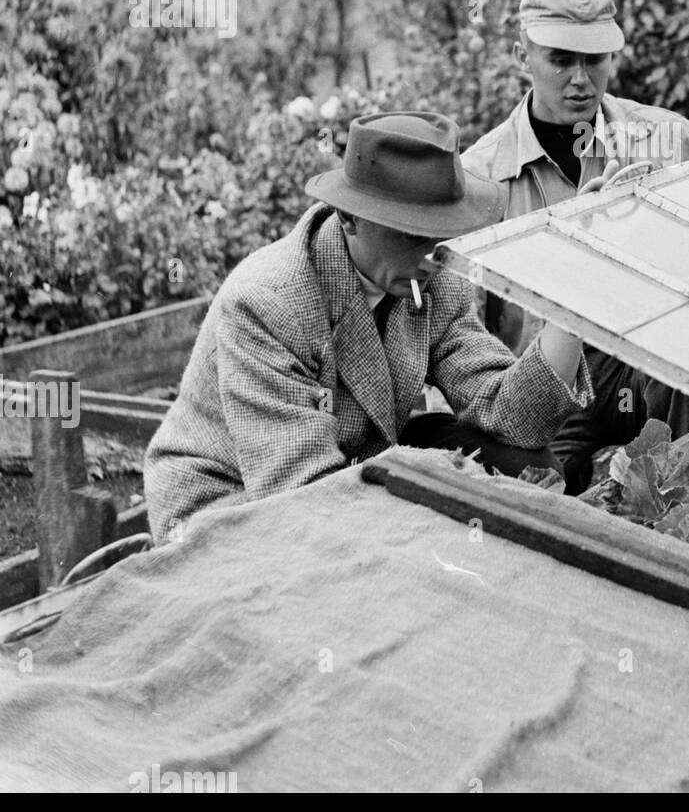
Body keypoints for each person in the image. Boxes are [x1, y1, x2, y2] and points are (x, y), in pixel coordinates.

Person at [144, 111, 604, 544]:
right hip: (230, 500)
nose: (432, 257)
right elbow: (302, 498)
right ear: (348, 218)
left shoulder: (432, 278)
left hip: (354, 463)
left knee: (529, 466)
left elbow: (518, 418)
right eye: (410, 234)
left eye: (442, 233)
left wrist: (578, 285)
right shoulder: (269, 303)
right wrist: (438, 489)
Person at [461, 0, 689, 492]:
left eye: (595, 59)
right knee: (548, 486)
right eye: (560, 59)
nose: (581, 79)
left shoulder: (671, 144)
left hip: (649, 365)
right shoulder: (482, 177)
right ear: (521, 57)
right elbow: (462, 334)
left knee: (683, 421)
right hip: (551, 380)